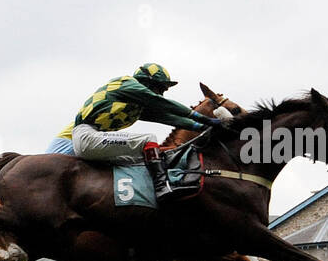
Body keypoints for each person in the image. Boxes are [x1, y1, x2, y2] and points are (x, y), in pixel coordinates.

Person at [46, 63, 223, 199]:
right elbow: (162, 104)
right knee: (48, 180)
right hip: (72, 139)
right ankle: (161, 187)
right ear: (145, 82)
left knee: (137, 160)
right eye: (159, 88)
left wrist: (202, 127)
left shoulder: (136, 105)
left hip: (96, 138)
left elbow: (168, 117)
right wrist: (205, 119)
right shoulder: (126, 84)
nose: (161, 94)